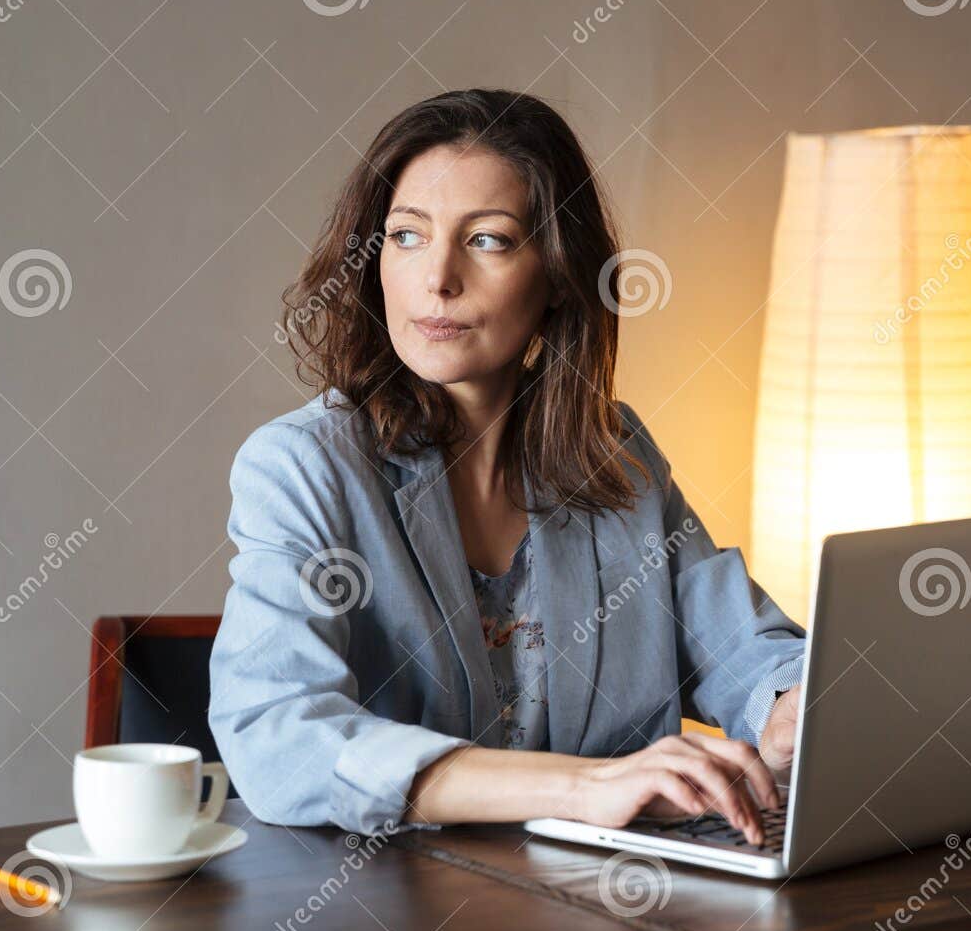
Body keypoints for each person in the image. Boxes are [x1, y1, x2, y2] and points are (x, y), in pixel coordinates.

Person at [208, 88, 806, 842]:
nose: (438, 277)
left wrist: (791, 706)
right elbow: (278, 735)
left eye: (487, 239)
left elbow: (743, 645)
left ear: (558, 275)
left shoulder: (613, 454)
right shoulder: (301, 467)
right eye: (405, 236)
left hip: (605, 910)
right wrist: (583, 787)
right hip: (393, 921)